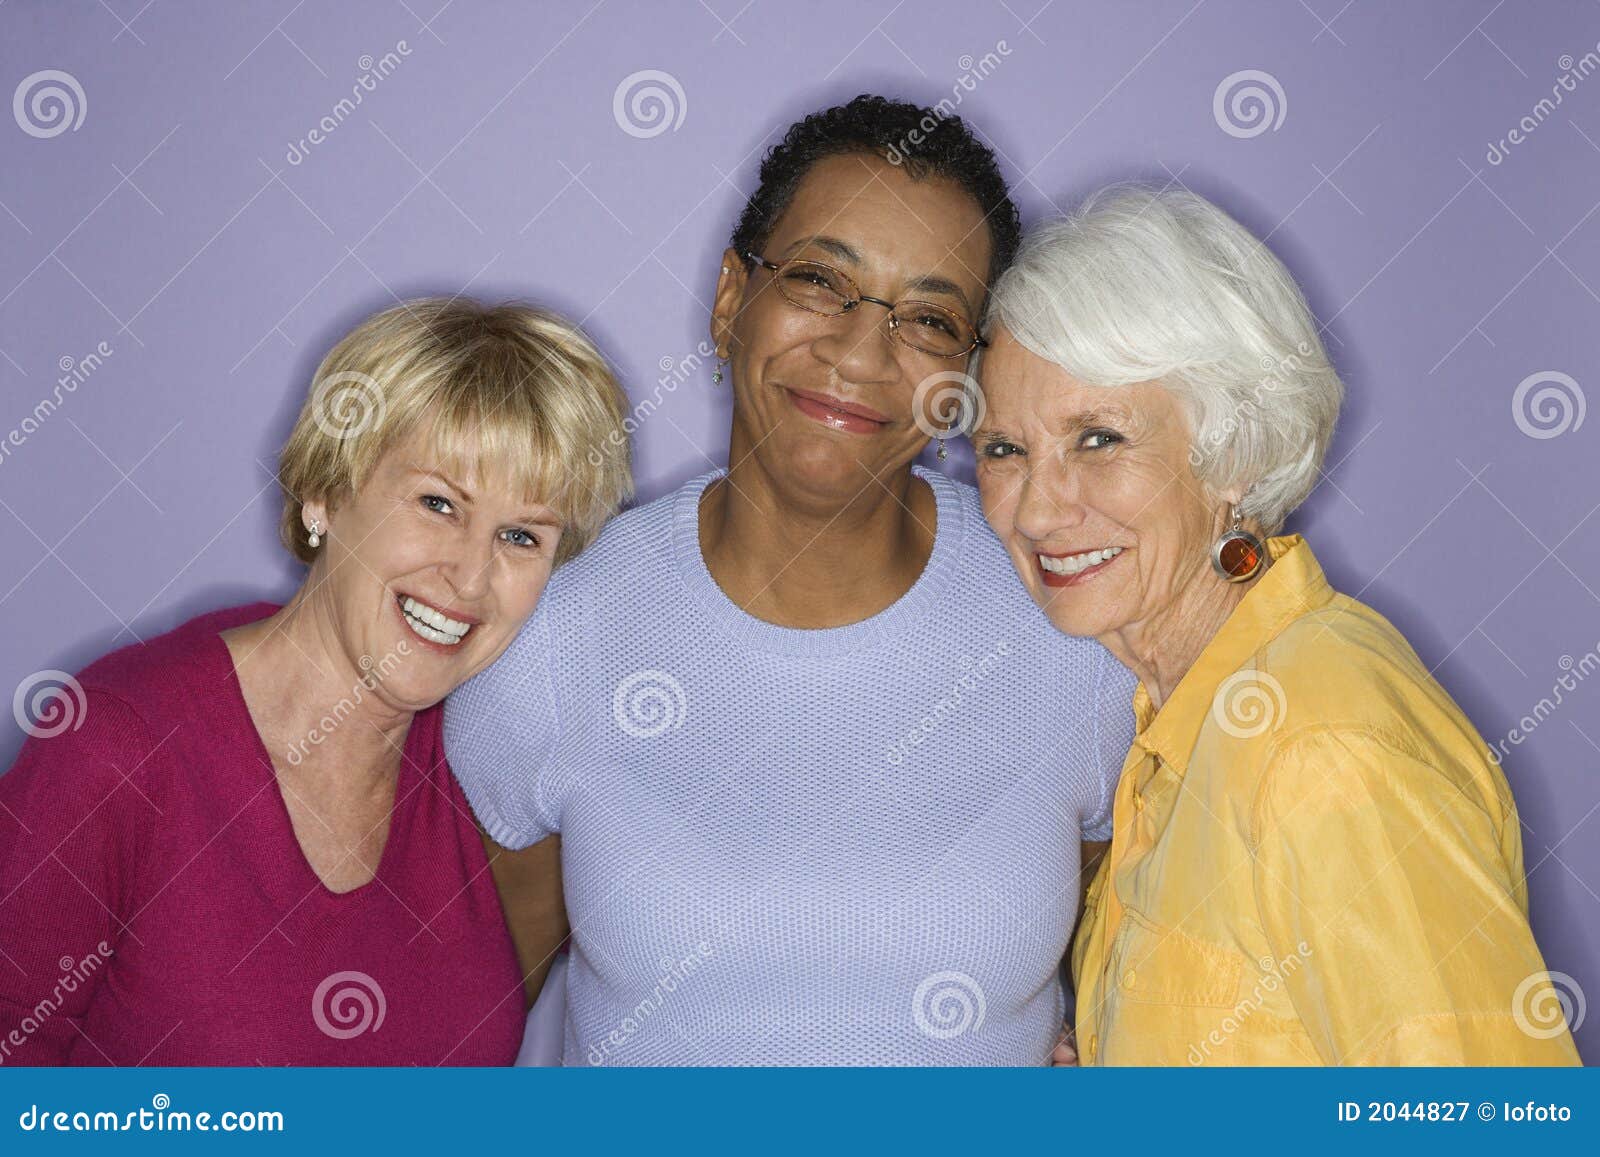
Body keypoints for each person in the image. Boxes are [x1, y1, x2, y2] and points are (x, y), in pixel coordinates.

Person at [444, 95, 1136, 1065]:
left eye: (929, 319)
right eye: (818, 280)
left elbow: (1142, 976)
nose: (859, 352)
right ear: (732, 298)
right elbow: (459, 1027)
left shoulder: (1070, 615)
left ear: (970, 377)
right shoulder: (560, 629)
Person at [973, 185, 1581, 1065]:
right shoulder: (1184, 715)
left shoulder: (1319, 743)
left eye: (1098, 439)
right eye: (1004, 450)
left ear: (1235, 454)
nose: (1037, 509)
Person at [0, 298, 632, 1064]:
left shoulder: (494, 763)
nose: (469, 577)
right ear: (326, 492)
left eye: (520, 535)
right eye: (438, 503)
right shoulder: (120, 744)